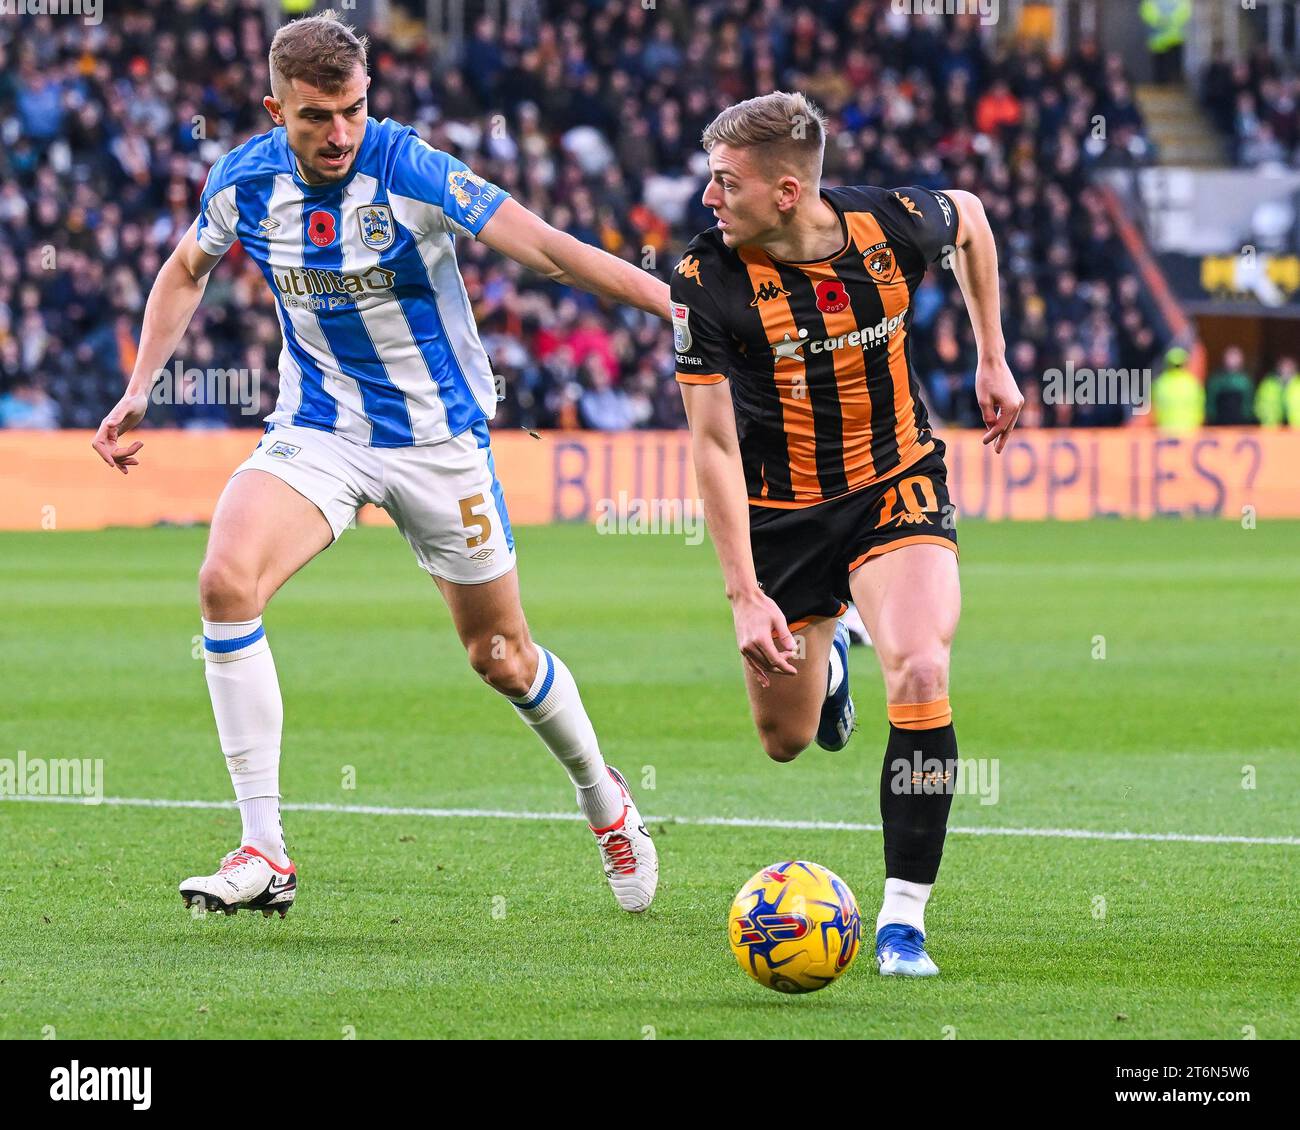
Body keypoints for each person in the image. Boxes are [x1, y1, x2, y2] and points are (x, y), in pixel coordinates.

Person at [91, 11, 665, 919]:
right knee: (225, 583)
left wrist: (672, 307)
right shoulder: (244, 180)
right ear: (275, 107)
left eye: (353, 110)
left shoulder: (411, 167)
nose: (340, 133)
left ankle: (606, 801)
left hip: (439, 442)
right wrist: (139, 387)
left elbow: (548, 249)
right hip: (318, 430)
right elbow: (183, 269)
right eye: (317, 116)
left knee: (501, 657)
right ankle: (264, 849)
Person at [669, 91, 1022, 978]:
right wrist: (745, 595)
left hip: (895, 481)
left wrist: (994, 355)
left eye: (725, 183)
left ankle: (904, 921)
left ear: (787, 191)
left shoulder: (888, 224)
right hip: (781, 513)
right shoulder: (704, 282)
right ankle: (827, 669)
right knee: (784, 740)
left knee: (924, 667)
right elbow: (711, 447)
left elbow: (972, 219)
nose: (709, 200)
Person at [1151, 345, 1203, 432]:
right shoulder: (1193, 383)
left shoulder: (1160, 384)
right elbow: (1201, 410)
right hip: (1190, 432)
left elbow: (1153, 410)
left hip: (1165, 433)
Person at [1206, 346, 1255, 425]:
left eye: (1235, 357)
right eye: (1230, 357)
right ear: (1224, 358)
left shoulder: (1245, 381)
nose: (1232, 360)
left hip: (1240, 422)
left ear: (1241, 360)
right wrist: (1210, 416)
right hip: (1219, 422)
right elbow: (1210, 402)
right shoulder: (1216, 380)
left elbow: (1248, 403)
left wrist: (1248, 418)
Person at [1254, 356, 1297, 427]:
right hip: (1272, 427)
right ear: (1279, 368)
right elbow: (1259, 404)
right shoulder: (1268, 384)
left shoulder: (1298, 384)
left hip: (1296, 428)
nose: (1286, 369)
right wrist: (1265, 418)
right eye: (1284, 367)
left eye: (1289, 367)